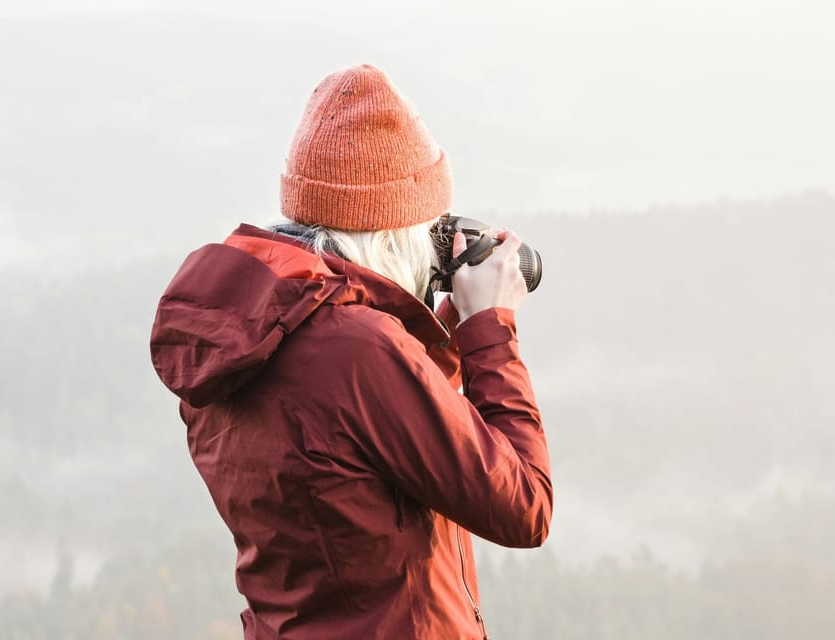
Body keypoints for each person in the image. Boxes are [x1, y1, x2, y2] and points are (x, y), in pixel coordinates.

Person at [150, 64, 552, 640]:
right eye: (426, 227)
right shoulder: (358, 351)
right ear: (390, 233)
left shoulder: (248, 335)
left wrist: (446, 331)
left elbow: (364, 446)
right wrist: (491, 329)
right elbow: (526, 506)